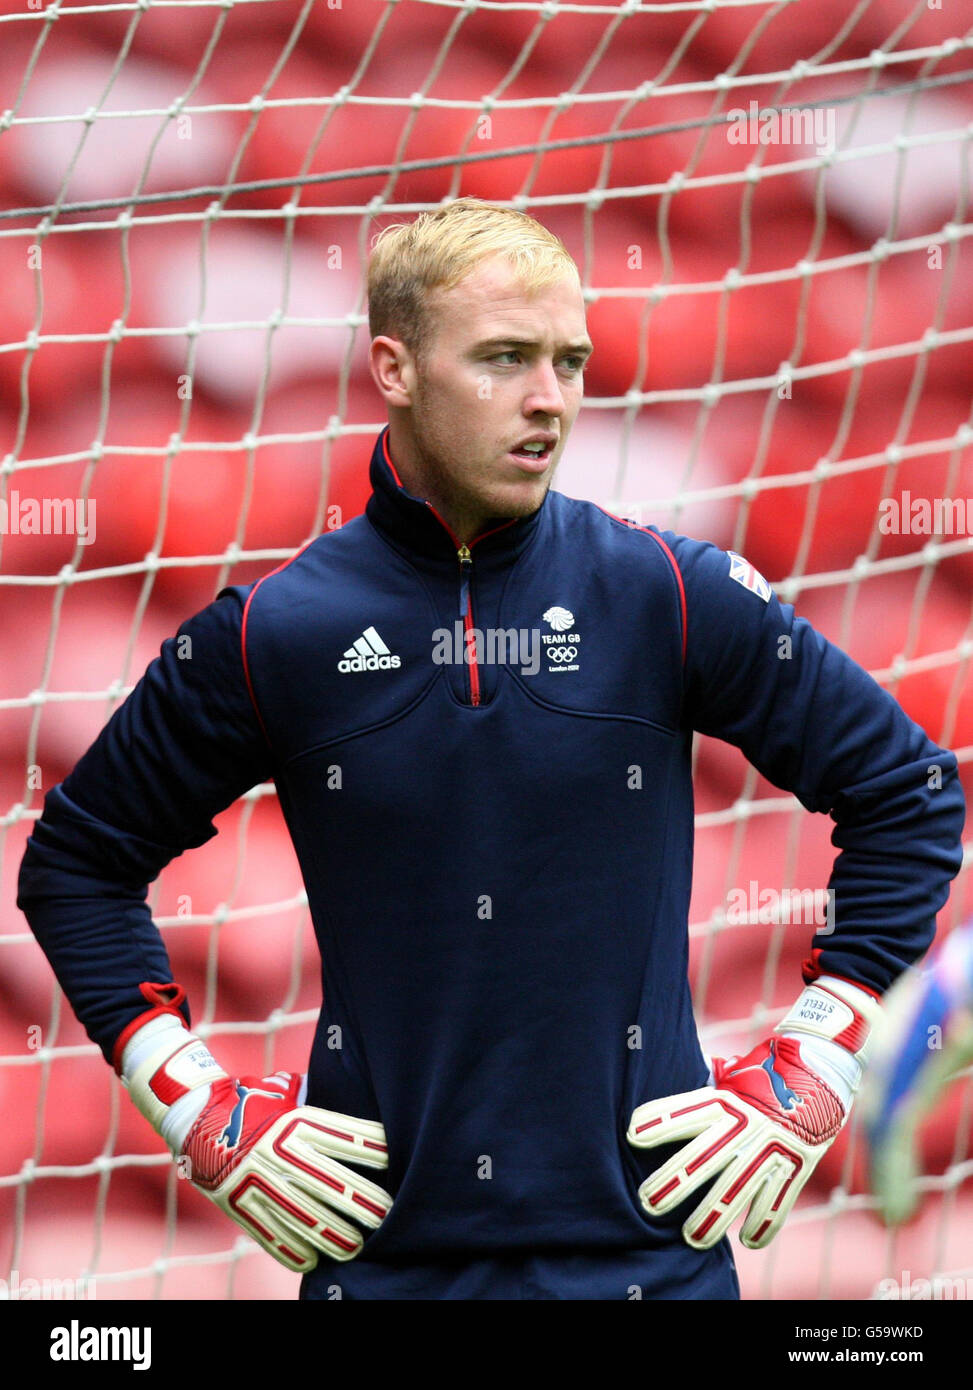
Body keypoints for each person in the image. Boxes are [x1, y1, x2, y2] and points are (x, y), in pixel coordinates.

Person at [17, 197, 966, 1301]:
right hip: (379, 1271)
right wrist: (192, 1103)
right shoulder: (277, 631)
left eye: (568, 361)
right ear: (395, 367)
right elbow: (76, 867)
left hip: (652, 1268)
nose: (549, 400)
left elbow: (908, 792)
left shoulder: (665, 594)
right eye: (506, 358)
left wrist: (812, 1058)